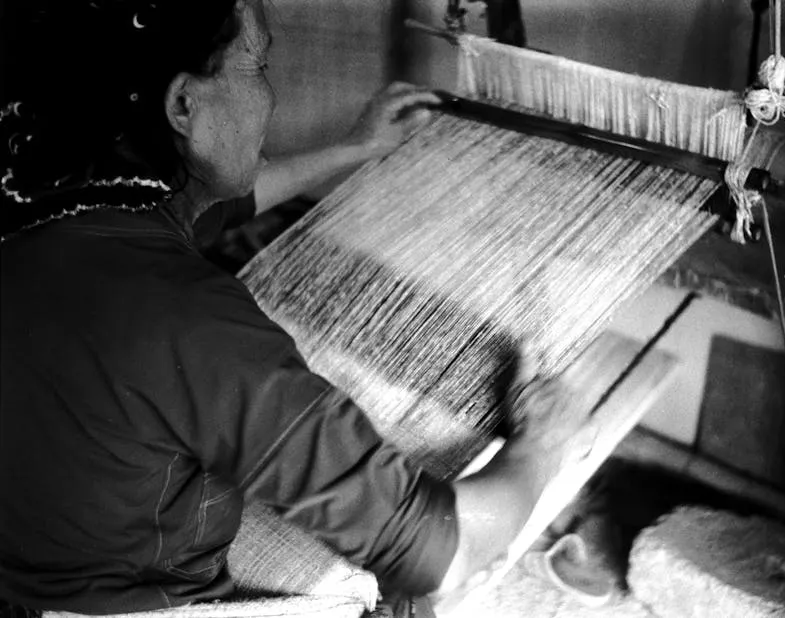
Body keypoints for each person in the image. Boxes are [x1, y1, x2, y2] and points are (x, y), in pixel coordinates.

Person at [0, 0, 591, 615]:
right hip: (143, 605)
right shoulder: (190, 321)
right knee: (409, 599)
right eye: (256, 67)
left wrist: (357, 148)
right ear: (182, 105)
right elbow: (445, 550)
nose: (270, 98)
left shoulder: (43, 210)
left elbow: (213, 205)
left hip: (28, 575)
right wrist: (544, 445)